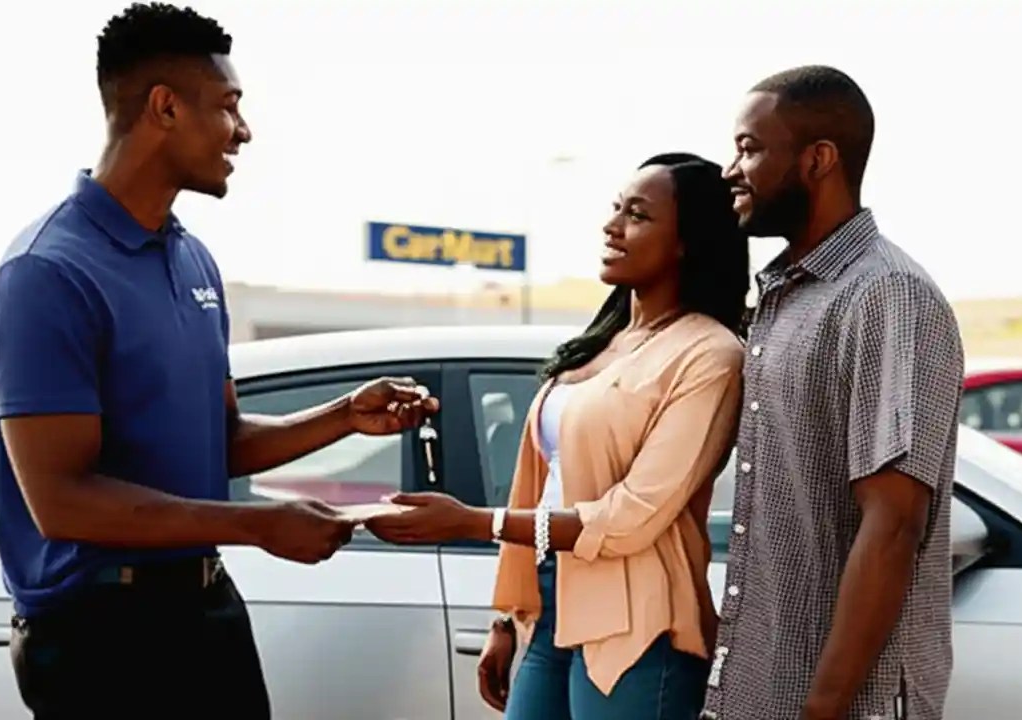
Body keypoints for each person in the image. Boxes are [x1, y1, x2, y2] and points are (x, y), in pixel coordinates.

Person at [0, 4, 438, 719]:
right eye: (228, 105)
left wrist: (344, 416)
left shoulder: (193, 259)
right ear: (165, 107)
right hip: (98, 637)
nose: (243, 130)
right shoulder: (47, 272)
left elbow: (219, 442)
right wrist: (258, 525)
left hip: (206, 609)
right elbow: (61, 499)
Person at [365, 152, 750, 719]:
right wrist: (507, 616)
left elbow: (631, 517)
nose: (612, 226)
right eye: (616, 208)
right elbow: (540, 483)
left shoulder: (710, 354)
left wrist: (473, 521)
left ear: (687, 243)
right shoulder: (602, 341)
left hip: (636, 623)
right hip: (551, 605)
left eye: (637, 215)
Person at [700, 65, 964, 720]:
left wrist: (822, 709)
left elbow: (893, 524)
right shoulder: (785, 295)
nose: (731, 171)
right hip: (762, 689)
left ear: (818, 160)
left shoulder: (886, 294)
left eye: (749, 149)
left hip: (847, 705)